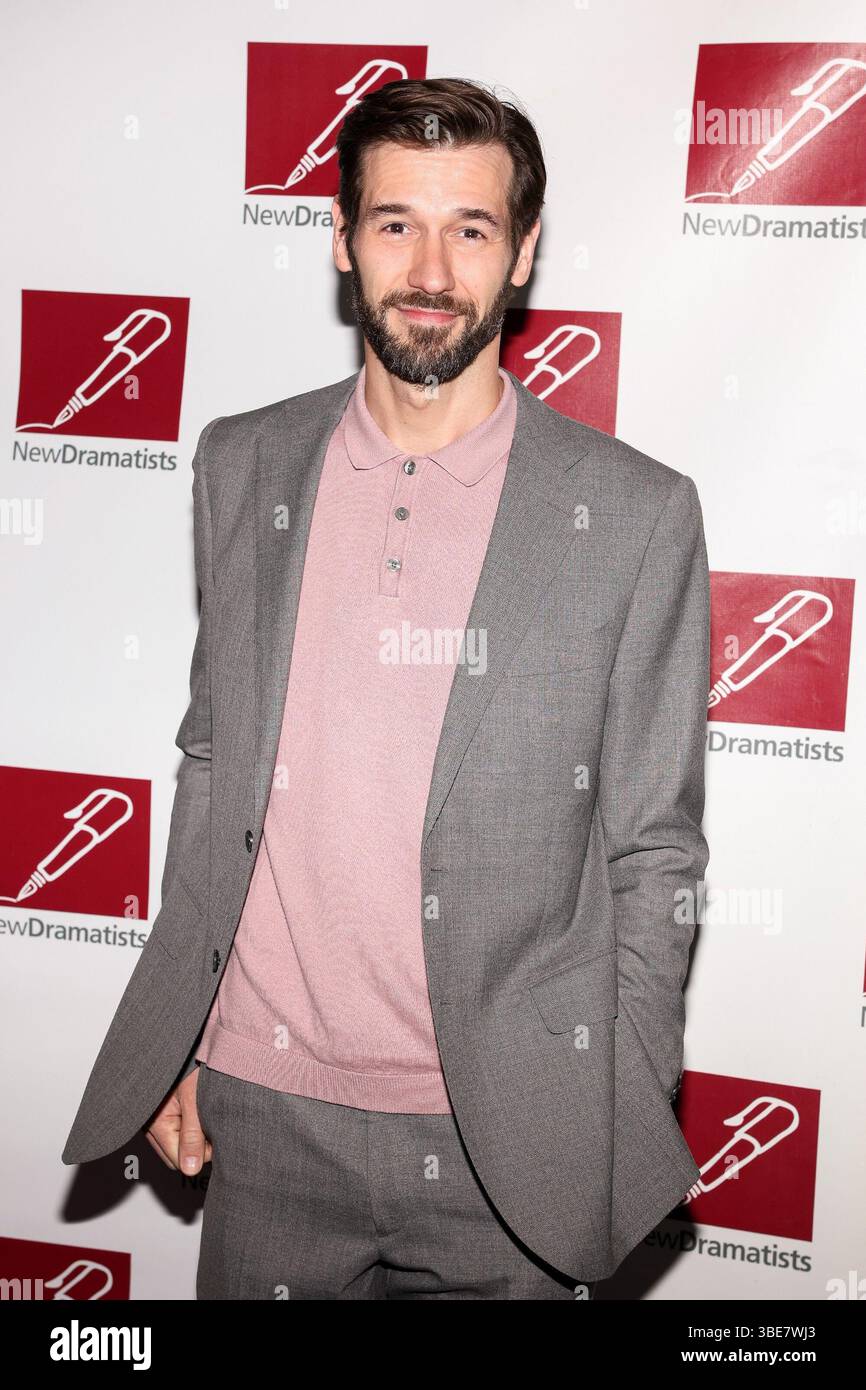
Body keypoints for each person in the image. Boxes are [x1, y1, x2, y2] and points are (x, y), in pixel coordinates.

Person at [62, 77, 710, 1301]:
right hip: (263, 1113)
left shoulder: (630, 513)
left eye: (469, 229)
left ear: (522, 252)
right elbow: (214, 760)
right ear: (342, 240)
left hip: (507, 1140)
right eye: (393, 222)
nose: (428, 267)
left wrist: (607, 1096)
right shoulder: (242, 461)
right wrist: (185, 1034)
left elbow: (654, 849)